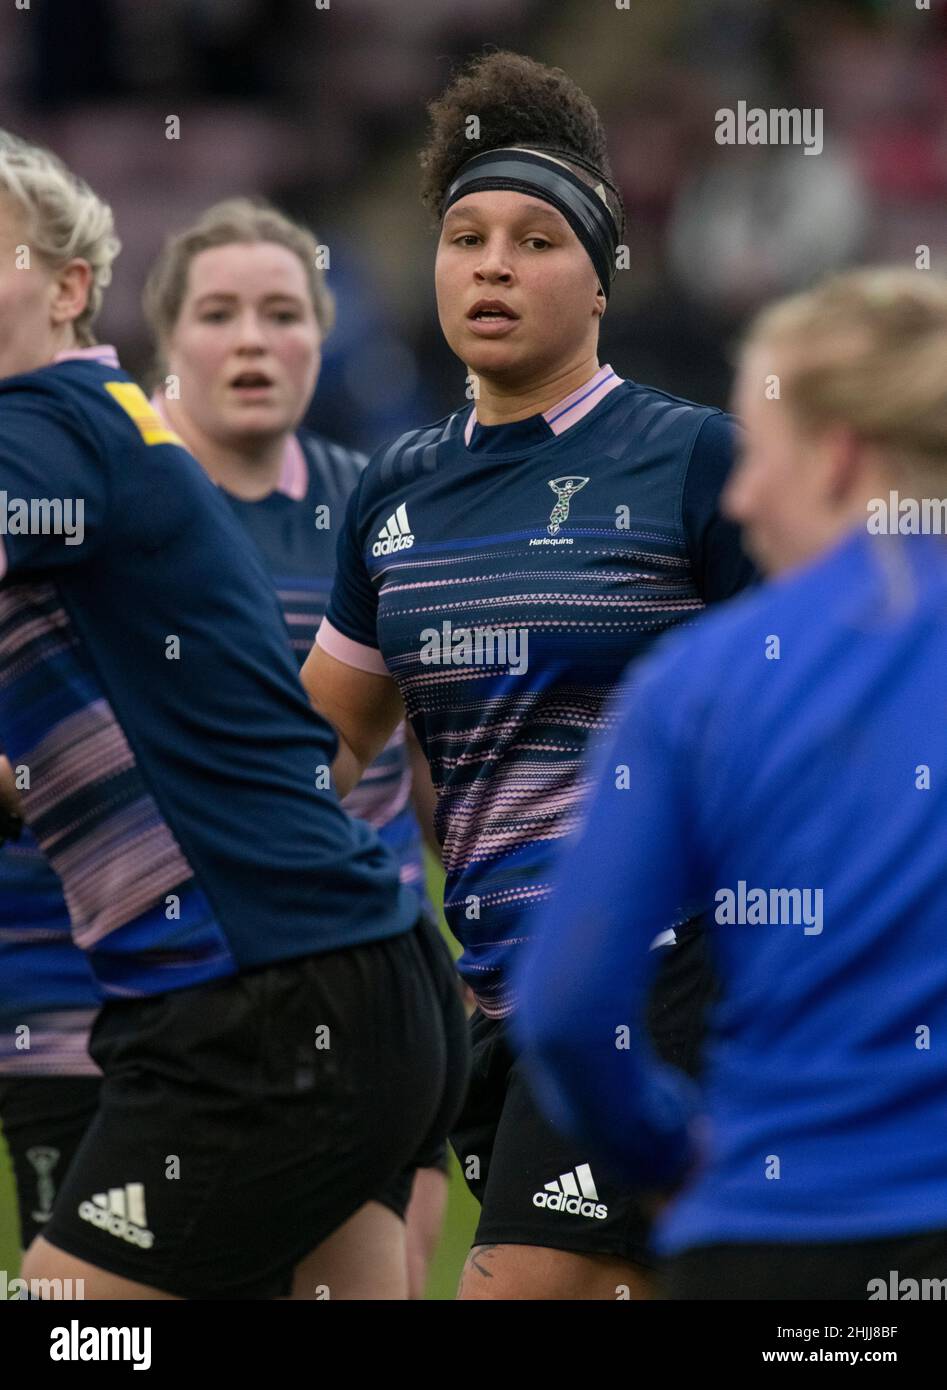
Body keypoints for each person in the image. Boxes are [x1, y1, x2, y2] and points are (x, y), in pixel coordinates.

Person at [300, 50, 755, 1300]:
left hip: (665, 971)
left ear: (601, 276)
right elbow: (312, 748)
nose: (491, 263)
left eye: (536, 239)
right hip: (497, 1000)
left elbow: (812, 705)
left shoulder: (692, 461)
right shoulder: (390, 494)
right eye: (464, 236)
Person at [0, 128, 467, 1300]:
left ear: (66, 287)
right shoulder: (99, 431)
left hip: (263, 992)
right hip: (335, 969)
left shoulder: (53, 428)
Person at [514, 266, 947, 1300]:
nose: (740, 498)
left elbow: (566, 1010)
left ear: (838, 455)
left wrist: (665, 1156)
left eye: (758, 458)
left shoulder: (698, 685)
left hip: (764, 1243)